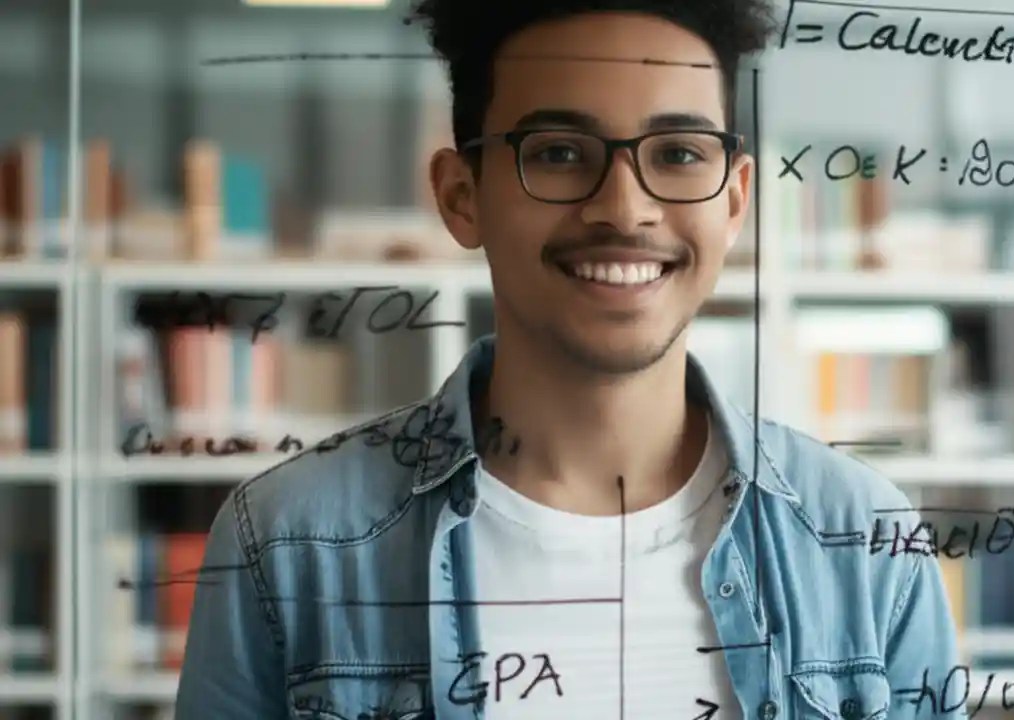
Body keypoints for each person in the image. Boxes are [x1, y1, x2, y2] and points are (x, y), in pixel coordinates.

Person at [174, 1, 964, 718]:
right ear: (461, 195)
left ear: (734, 198)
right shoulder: (287, 543)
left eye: (680, 152)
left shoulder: (867, 542)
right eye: (557, 152)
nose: (623, 207)